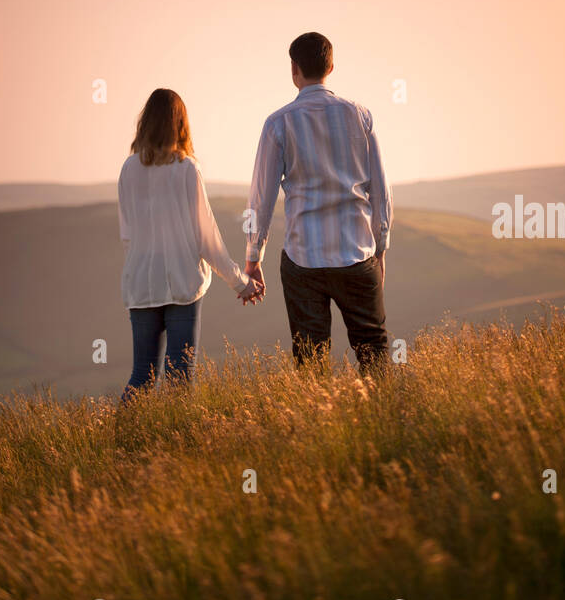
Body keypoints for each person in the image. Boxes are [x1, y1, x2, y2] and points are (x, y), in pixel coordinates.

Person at [244, 32, 392, 373]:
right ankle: (383, 418)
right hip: (357, 252)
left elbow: (260, 200)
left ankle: (317, 421)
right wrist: (380, 248)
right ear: (331, 66)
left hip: (303, 258)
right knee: (373, 348)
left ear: (294, 69)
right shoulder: (361, 116)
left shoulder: (278, 123)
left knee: (310, 359)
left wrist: (254, 256)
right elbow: (380, 190)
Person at [118, 87, 261, 401]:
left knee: (142, 375)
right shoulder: (186, 170)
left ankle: (123, 440)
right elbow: (206, 238)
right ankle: (175, 444)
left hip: (141, 285)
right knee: (180, 379)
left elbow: (127, 234)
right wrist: (240, 283)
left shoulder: (128, 169)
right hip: (183, 285)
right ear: (180, 124)